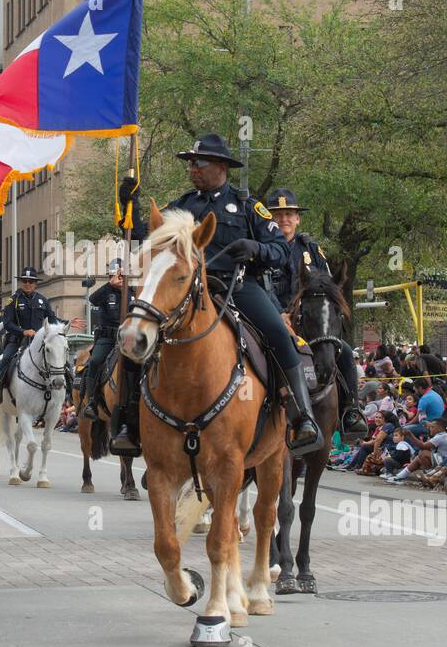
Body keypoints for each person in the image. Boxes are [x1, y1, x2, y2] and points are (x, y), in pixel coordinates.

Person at [120, 133, 320, 454]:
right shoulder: (182, 206)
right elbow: (146, 234)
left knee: (279, 335)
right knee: (136, 334)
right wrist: (130, 207)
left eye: (199, 163)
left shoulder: (247, 206)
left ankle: (301, 416)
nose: (193, 169)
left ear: (221, 167)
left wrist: (254, 247)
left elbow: (280, 251)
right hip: (186, 289)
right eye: (190, 164)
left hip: (237, 287)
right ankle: (128, 420)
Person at [264, 187, 367, 438]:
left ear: (298, 218)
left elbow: (329, 286)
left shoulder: (310, 249)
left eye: (289, 214)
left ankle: (351, 410)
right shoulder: (263, 249)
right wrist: (279, 313)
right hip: (271, 317)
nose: (284, 219)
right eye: (277, 215)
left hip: (308, 322)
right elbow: (258, 286)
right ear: (268, 219)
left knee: (341, 351)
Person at [0, 265, 60, 406]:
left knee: (58, 360)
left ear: (35, 283)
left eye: (31, 281)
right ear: (22, 282)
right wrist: (23, 331)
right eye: (25, 281)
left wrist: (66, 323)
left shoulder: (43, 301)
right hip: (17, 341)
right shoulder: (13, 300)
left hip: (38, 343)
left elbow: (52, 320)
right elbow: (7, 323)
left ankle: (65, 389)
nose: (28, 284)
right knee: (5, 360)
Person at [81, 258, 131, 420]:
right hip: (108, 339)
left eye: (122, 275)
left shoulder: (132, 292)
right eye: (116, 275)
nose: (120, 278)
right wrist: (110, 285)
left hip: (127, 339)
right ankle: (92, 402)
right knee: (95, 361)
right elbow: (92, 299)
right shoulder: (105, 292)